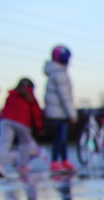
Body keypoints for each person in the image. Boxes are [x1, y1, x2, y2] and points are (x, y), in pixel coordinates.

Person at [0, 78, 43, 178]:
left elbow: (5, 109)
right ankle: (23, 166)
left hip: (5, 120)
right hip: (21, 121)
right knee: (25, 143)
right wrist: (39, 127)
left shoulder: (12, 94)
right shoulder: (30, 96)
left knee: (5, 142)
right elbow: (36, 112)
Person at [43, 45, 77, 173]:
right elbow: (65, 96)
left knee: (62, 137)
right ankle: (55, 161)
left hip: (57, 112)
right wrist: (72, 113)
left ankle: (64, 160)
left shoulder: (54, 72)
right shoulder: (60, 74)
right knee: (60, 138)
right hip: (59, 112)